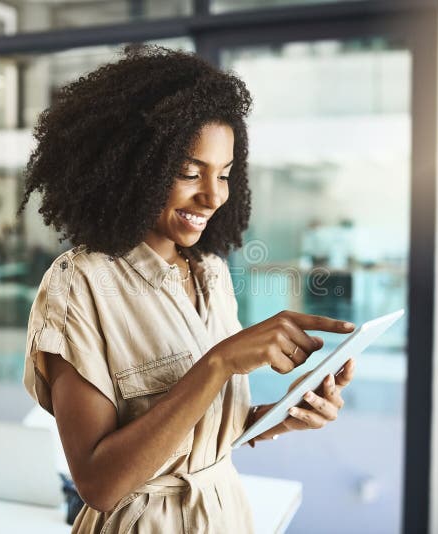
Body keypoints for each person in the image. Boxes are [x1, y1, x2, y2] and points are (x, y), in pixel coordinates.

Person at [21, 45, 356, 533]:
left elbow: (199, 433)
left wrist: (284, 416)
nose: (214, 194)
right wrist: (220, 362)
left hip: (225, 515)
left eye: (223, 174)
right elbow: (98, 482)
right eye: (189, 172)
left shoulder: (212, 273)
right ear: (136, 166)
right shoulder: (81, 285)